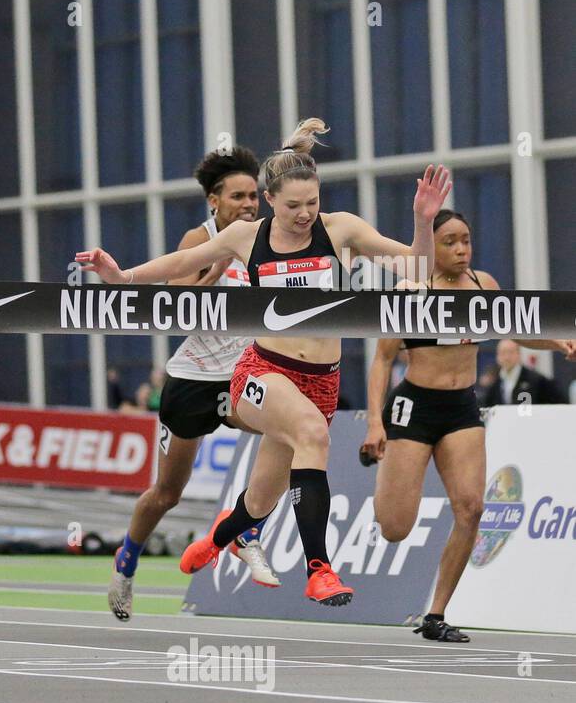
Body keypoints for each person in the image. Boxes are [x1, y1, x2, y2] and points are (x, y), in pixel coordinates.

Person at [79, 118, 452, 606]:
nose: (304, 215)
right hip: (261, 373)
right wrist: (122, 276)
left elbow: (419, 270)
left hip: (321, 382)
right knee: (314, 437)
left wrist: (424, 222)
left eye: (312, 204)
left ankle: (216, 541)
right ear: (270, 199)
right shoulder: (246, 238)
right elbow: (179, 265)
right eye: (293, 206)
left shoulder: (341, 229)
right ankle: (319, 570)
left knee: (259, 501)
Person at [362, 209, 576, 641]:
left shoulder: (483, 285)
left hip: (461, 407)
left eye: (466, 240)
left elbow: (513, 328)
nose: (461, 249)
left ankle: (435, 615)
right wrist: (374, 423)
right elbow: (383, 359)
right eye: (450, 242)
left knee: (471, 507)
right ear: (431, 247)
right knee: (395, 527)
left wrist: (556, 341)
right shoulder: (412, 292)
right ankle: (386, 490)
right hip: (414, 407)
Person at [106, 145, 277, 622]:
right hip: (193, 377)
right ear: (214, 202)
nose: (249, 205)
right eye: (238, 197)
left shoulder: (268, 238)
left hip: (244, 374)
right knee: (167, 493)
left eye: (254, 197)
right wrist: (217, 267)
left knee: (291, 432)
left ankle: (244, 527)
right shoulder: (197, 239)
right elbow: (176, 309)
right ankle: (126, 561)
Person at [480, 339, 568, 406]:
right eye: (503, 353)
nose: (507, 357)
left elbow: (559, 402)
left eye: (510, 352)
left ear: (519, 354)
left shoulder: (537, 380)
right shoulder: (495, 384)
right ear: (497, 356)